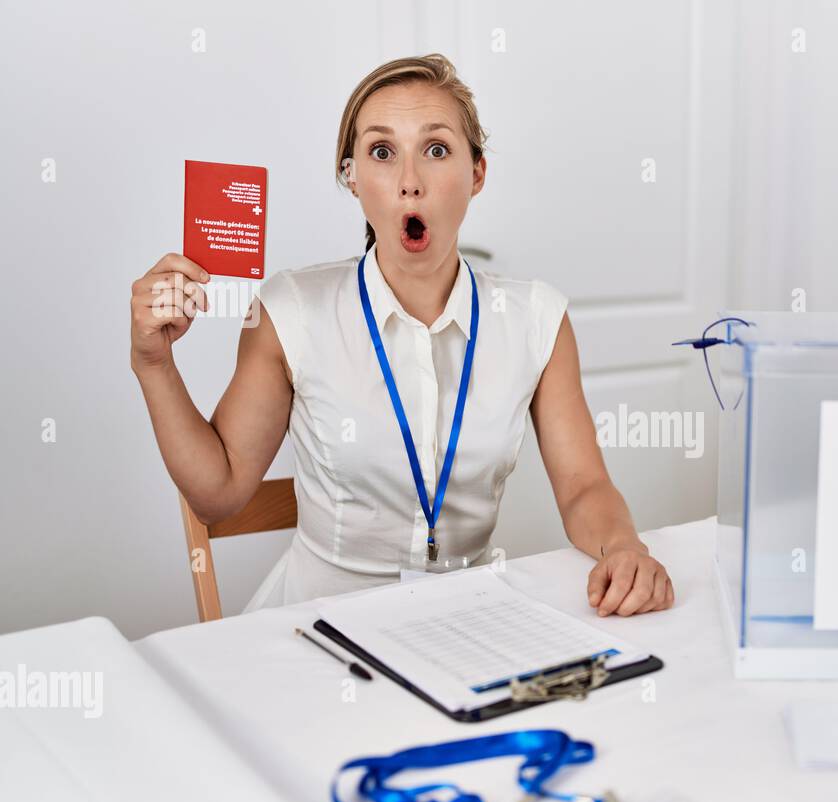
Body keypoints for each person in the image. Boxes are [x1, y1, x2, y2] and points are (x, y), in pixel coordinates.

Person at [129, 53, 673, 617]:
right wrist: (154, 364)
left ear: (477, 173)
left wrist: (624, 547)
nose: (410, 183)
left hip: (473, 618)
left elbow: (584, 487)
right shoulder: (289, 310)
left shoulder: (536, 318)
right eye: (382, 153)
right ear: (352, 177)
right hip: (320, 630)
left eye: (436, 150)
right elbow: (218, 494)